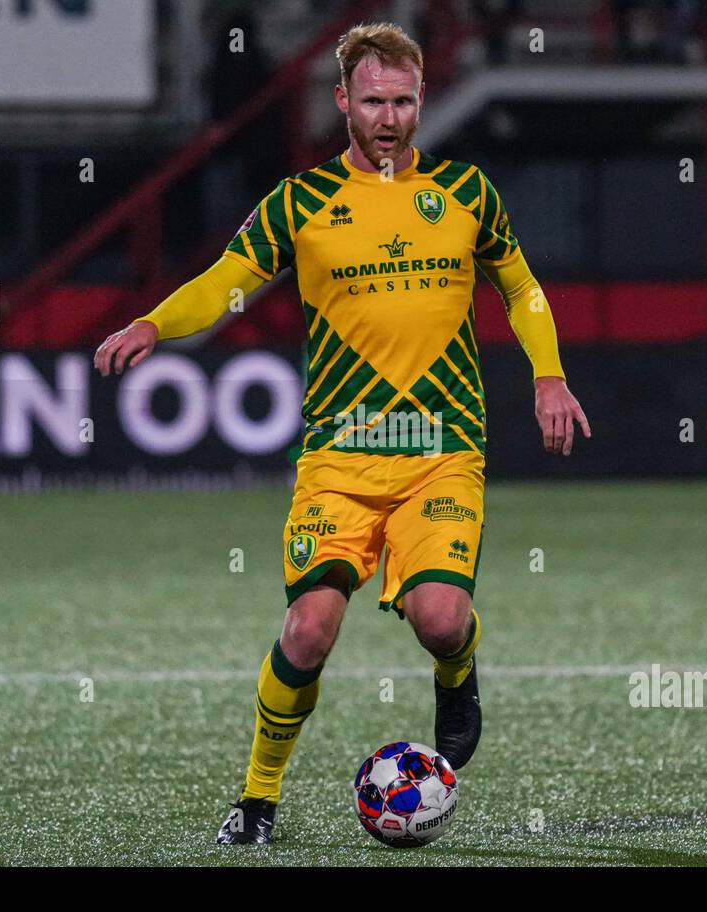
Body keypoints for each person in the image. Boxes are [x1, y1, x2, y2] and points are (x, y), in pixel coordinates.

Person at [95, 22, 590, 844]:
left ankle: (456, 675)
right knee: (309, 629)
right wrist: (156, 323)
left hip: (441, 456)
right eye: (373, 102)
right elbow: (226, 282)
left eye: (402, 100)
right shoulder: (300, 203)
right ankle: (256, 800)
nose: (389, 117)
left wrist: (548, 374)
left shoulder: (467, 192)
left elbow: (520, 285)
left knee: (440, 618)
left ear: (421, 99)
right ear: (342, 104)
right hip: (338, 460)